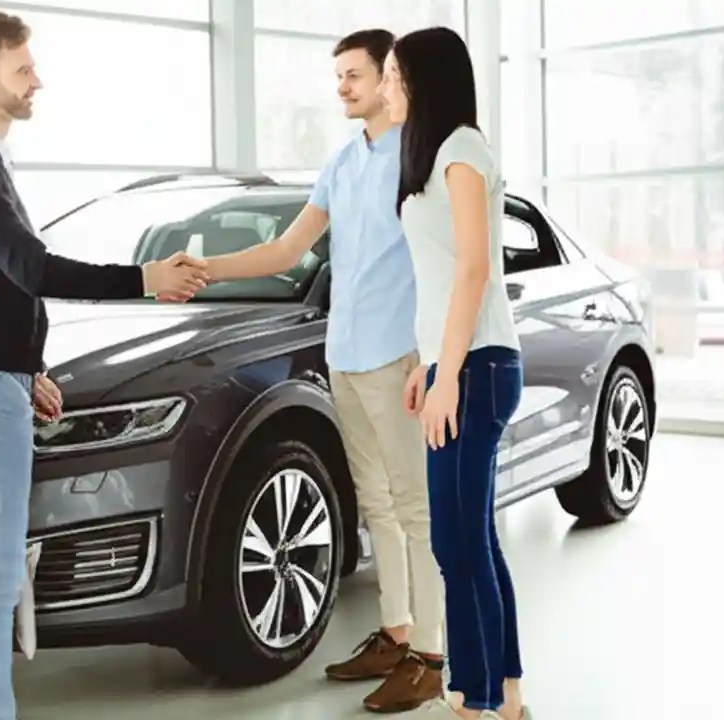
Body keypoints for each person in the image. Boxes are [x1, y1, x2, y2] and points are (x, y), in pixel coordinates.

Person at [0, 11, 209, 720]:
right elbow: (31, 267)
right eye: (22, 69)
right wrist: (147, 278)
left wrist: (29, 367)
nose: (36, 81)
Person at [200, 29, 444, 714]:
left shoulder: (420, 158)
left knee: (416, 507)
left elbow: (443, 265)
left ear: (389, 77)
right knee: (375, 503)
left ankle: (431, 655)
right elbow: (286, 250)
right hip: (346, 355)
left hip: (398, 355)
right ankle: (396, 632)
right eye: (338, 75)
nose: (342, 86)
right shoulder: (342, 161)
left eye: (354, 74)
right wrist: (205, 270)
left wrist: (430, 358)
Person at [379, 27, 531, 720]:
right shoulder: (436, 155)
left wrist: (448, 378)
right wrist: (427, 362)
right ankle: (506, 695)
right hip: (459, 362)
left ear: (424, 81)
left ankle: (475, 700)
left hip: (479, 366)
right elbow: (443, 276)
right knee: (473, 537)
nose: (386, 88)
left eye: (393, 75)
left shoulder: (463, 149)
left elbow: (474, 269)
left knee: (456, 541)